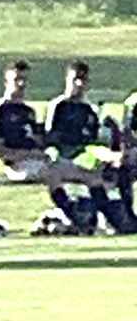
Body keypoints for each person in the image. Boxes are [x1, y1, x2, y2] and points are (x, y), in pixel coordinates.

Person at [43, 61, 134, 233]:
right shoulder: (59, 106)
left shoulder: (89, 109)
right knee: (98, 170)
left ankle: (124, 214)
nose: (79, 84)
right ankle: (105, 216)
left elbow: (94, 139)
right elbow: (51, 139)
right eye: (75, 79)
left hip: (88, 153)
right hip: (68, 155)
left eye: (83, 80)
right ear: (67, 80)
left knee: (121, 163)